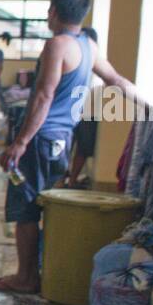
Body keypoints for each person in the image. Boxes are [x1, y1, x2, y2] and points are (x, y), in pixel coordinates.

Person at [0, 0, 140, 293]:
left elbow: (44, 96)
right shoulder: (89, 46)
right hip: (62, 141)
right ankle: (43, 271)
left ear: (54, 11)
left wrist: (20, 142)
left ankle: (26, 278)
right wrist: (152, 108)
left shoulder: (58, 45)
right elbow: (117, 81)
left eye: (48, 10)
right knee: (47, 205)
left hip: (41, 138)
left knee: (27, 209)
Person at [62, 27, 99, 187]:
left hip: (88, 112)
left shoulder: (96, 60)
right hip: (72, 110)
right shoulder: (76, 57)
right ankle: (62, 179)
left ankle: (71, 180)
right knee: (66, 147)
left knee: (81, 149)